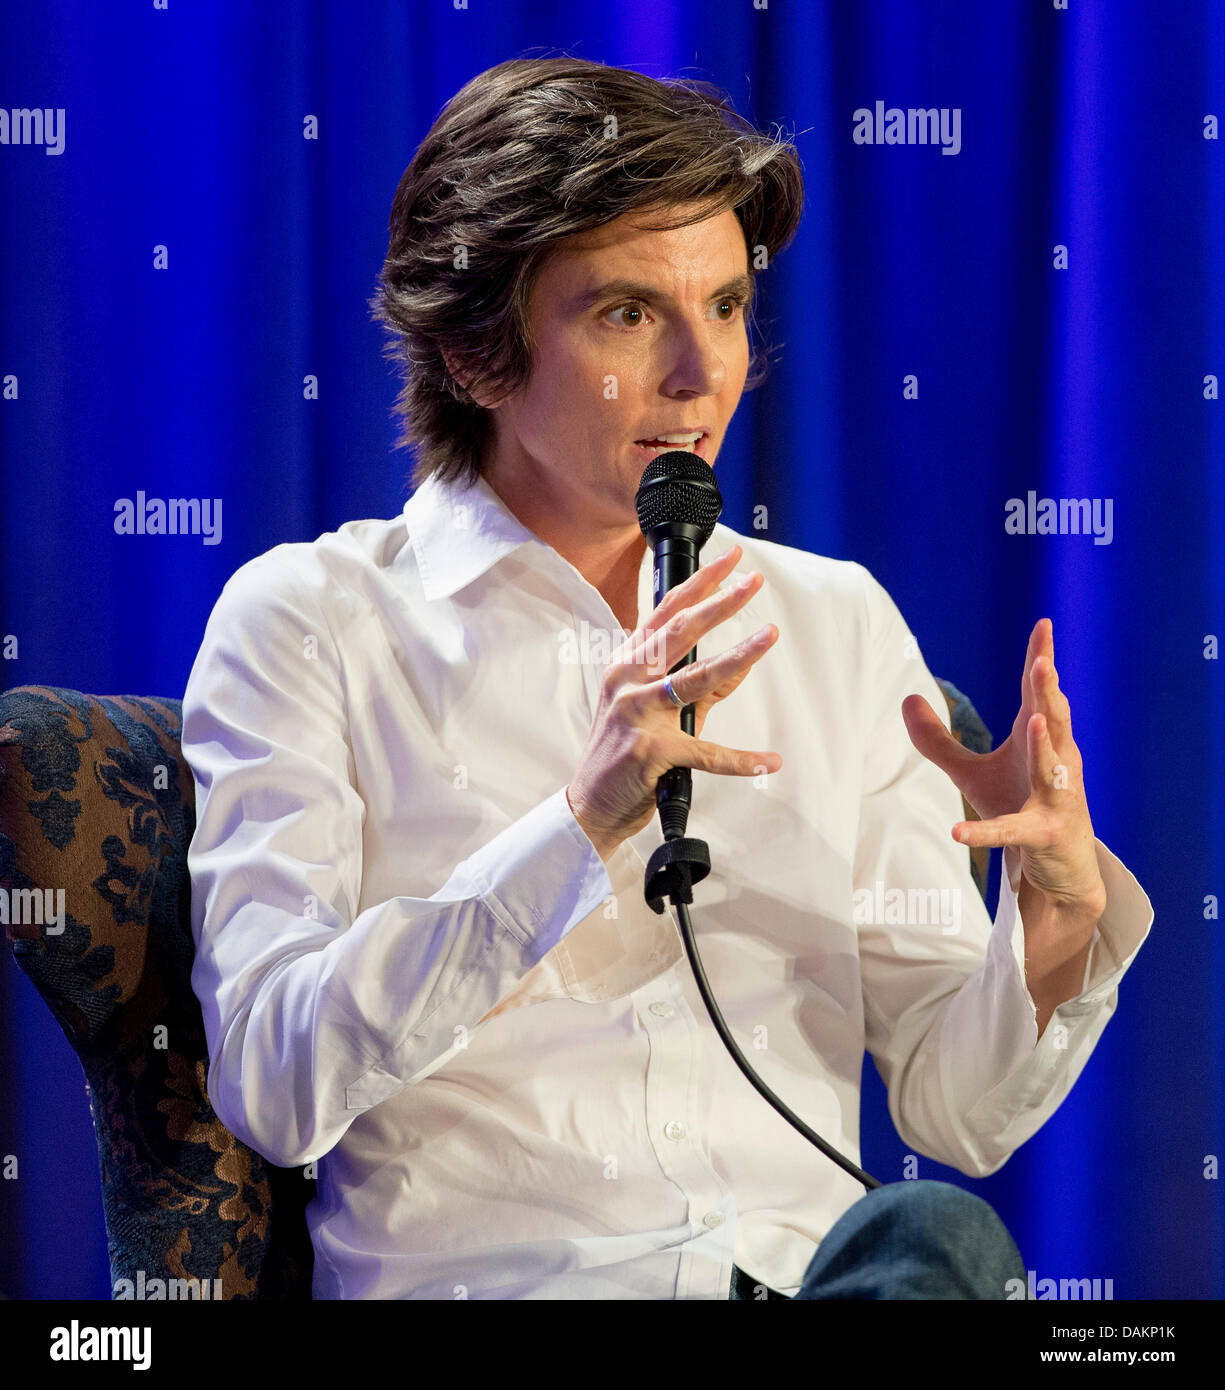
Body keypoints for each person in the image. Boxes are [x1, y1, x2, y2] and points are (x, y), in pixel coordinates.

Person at [182, 57, 1154, 1300]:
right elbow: (272, 1081)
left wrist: (1055, 905)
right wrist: (576, 823)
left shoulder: (833, 623)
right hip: (516, 1286)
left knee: (936, 1236)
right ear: (477, 356)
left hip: (816, 1282)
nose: (704, 373)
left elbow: (958, 1110)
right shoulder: (313, 622)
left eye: (730, 306)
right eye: (630, 315)